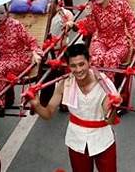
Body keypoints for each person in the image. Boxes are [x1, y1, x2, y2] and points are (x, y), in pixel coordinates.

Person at [28, 44, 120, 172]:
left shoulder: (105, 84)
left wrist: (113, 108)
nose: (78, 70)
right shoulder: (65, 83)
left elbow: (109, 120)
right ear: (68, 66)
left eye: (82, 64)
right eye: (73, 66)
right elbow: (48, 113)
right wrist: (36, 105)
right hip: (76, 141)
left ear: (90, 62)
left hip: (103, 140)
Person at [0, 5, 42, 107]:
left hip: (20, 59)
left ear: (7, 13)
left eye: (2, 13)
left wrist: (36, 53)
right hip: (1, 59)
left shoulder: (15, 25)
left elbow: (31, 41)